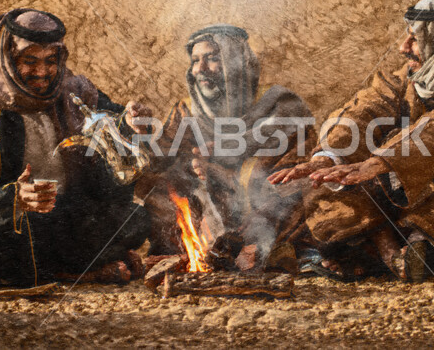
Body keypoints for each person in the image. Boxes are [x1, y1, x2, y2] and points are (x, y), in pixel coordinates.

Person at [269, 0, 434, 281]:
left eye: (416, 38)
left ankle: (423, 247)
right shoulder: (406, 79)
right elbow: (362, 112)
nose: (403, 47)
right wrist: (326, 157)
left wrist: (380, 162)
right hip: (404, 202)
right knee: (329, 173)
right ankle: (390, 253)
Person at [0, 8, 150, 287]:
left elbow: (116, 119)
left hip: (69, 216)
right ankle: (77, 272)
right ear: (11, 60)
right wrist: (14, 199)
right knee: (1, 236)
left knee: (136, 218)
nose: (42, 72)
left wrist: (133, 120)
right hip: (20, 222)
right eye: (30, 61)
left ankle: (63, 266)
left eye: (50, 61)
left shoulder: (75, 93)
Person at [127, 25, 315, 268]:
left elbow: (291, 162)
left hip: (266, 210)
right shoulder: (187, 111)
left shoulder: (278, 103)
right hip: (215, 212)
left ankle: (268, 250)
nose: (201, 69)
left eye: (213, 58)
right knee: (157, 186)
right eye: (195, 60)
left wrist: (223, 160)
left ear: (237, 63)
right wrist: (142, 133)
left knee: (294, 185)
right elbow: (159, 160)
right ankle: (202, 253)